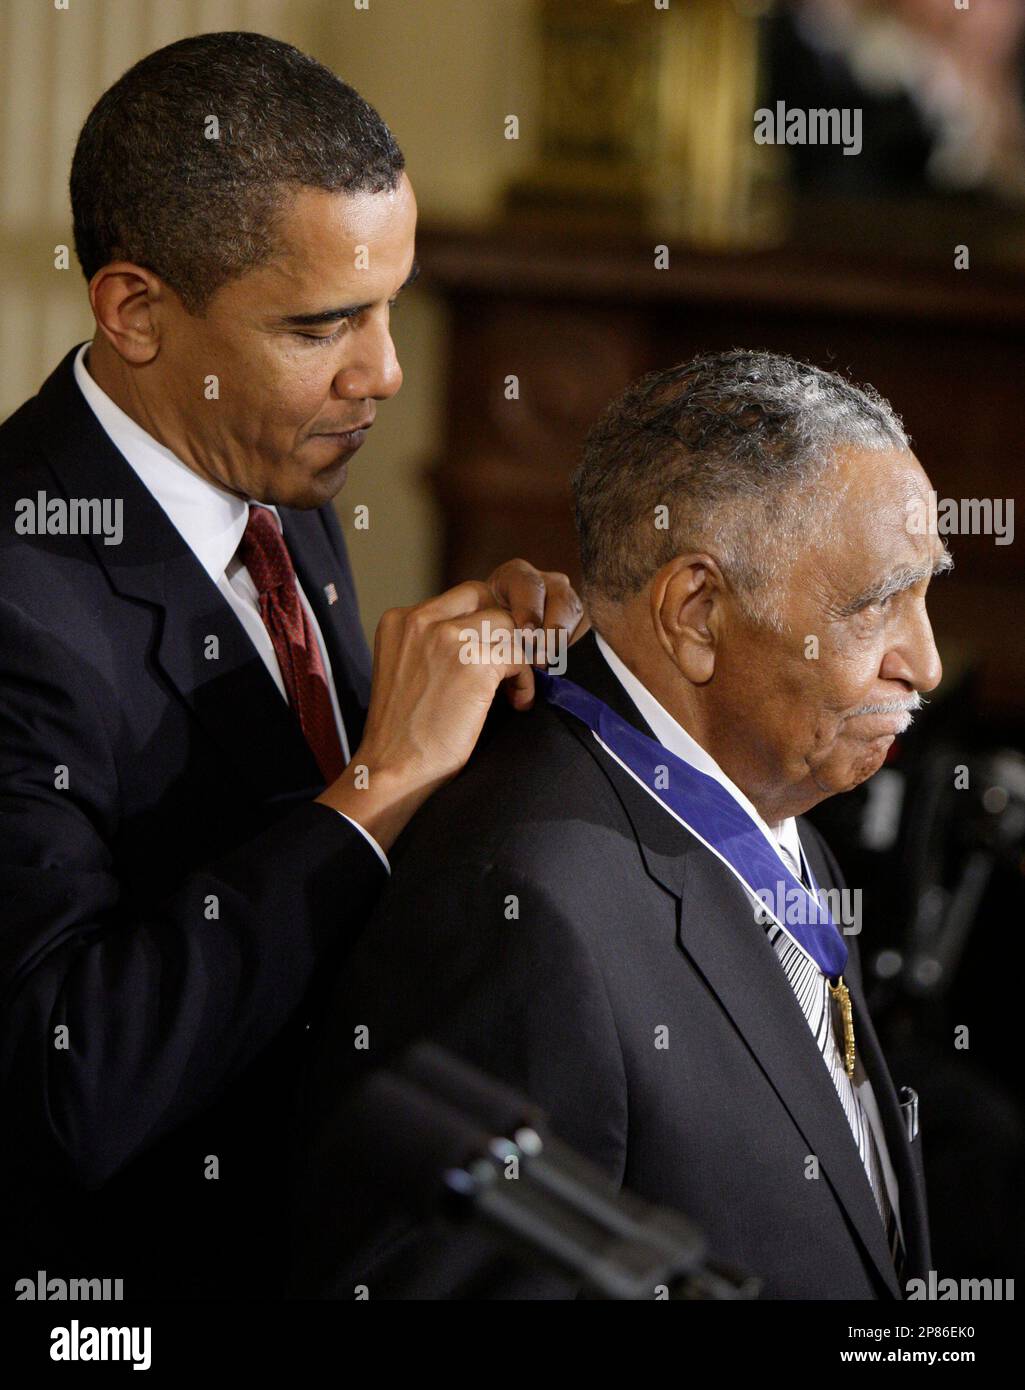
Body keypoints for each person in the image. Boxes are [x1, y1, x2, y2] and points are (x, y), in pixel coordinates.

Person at [0, 31, 583, 1300]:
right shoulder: (17, 594)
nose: (380, 373)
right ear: (136, 311)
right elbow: (64, 1082)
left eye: (388, 305)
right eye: (323, 324)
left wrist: (476, 704)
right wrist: (378, 780)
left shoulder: (272, 470)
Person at [291, 350, 946, 1300]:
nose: (922, 664)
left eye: (927, 591)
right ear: (696, 612)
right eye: (876, 605)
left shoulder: (777, 806)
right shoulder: (528, 900)